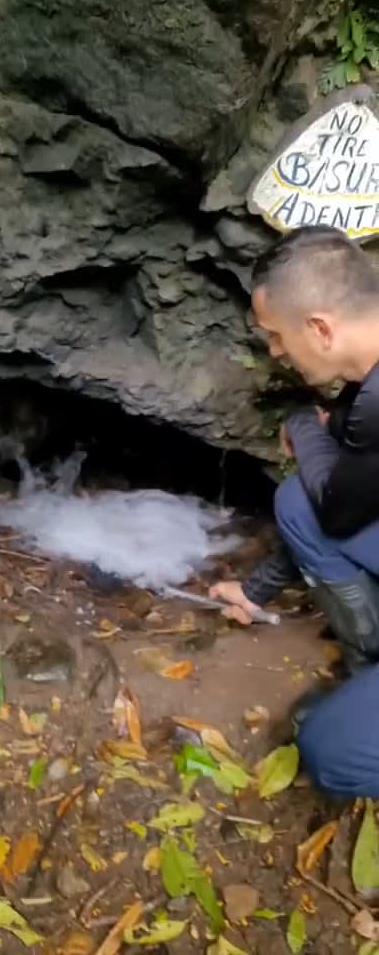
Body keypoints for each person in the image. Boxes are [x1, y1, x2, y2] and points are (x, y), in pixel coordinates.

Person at [210, 225, 379, 797]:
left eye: (277, 338)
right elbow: (336, 501)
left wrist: (305, 429)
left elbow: (336, 509)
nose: (275, 353)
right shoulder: (367, 386)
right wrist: (255, 593)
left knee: (331, 754)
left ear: (321, 328)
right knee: (295, 498)